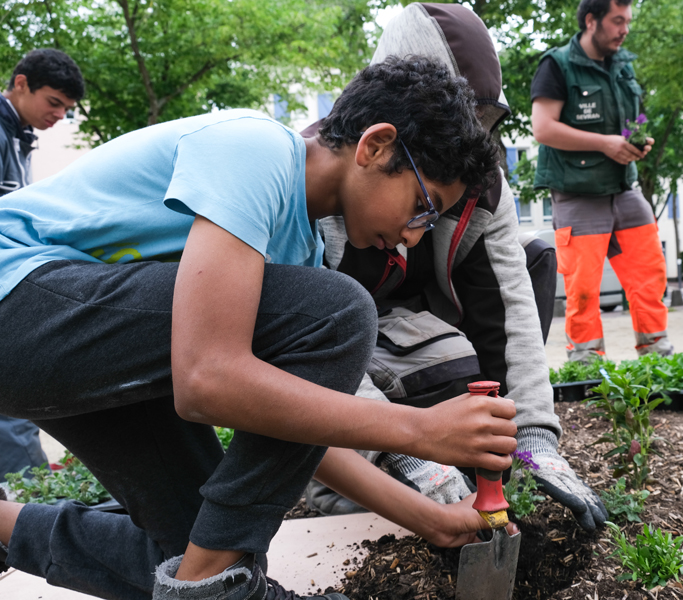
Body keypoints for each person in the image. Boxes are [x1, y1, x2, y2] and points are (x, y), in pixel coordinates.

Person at [0, 57, 510, 600]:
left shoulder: (300, 257)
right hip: (19, 300)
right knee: (339, 313)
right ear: (375, 146)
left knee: (194, 549)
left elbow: (298, 432)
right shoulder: (255, 148)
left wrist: (427, 517)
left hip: (85, 349)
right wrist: (420, 429)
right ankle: (221, 588)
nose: (412, 238)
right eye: (422, 208)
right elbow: (207, 380)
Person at [303, 2, 609, 533]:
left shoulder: (480, 183)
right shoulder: (317, 180)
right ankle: (332, 482)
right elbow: (303, 349)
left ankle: (470, 451)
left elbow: (511, 304)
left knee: (533, 259)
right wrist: (402, 448)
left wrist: (534, 441)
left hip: (420, 340)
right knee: (412, 359)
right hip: (349, 361)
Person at [530, 0, 672, 364]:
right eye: (618, 21)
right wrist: (606, 144)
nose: (625, 29)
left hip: (624, 189)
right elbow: (543, 128)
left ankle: (658, 358)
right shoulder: (557, 64)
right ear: (592, 21)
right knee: (583, 290)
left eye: (627, 21)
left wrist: (634, 143)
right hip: (578, 192)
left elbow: (629, 123)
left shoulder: (623, 65)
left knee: (650, 274)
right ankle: (586, 367)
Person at [0, 48, 83, 480]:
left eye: (67, 109)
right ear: (20, 84)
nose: (58, 115)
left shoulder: (18, 136)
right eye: (53, 102)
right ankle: (33, 500)